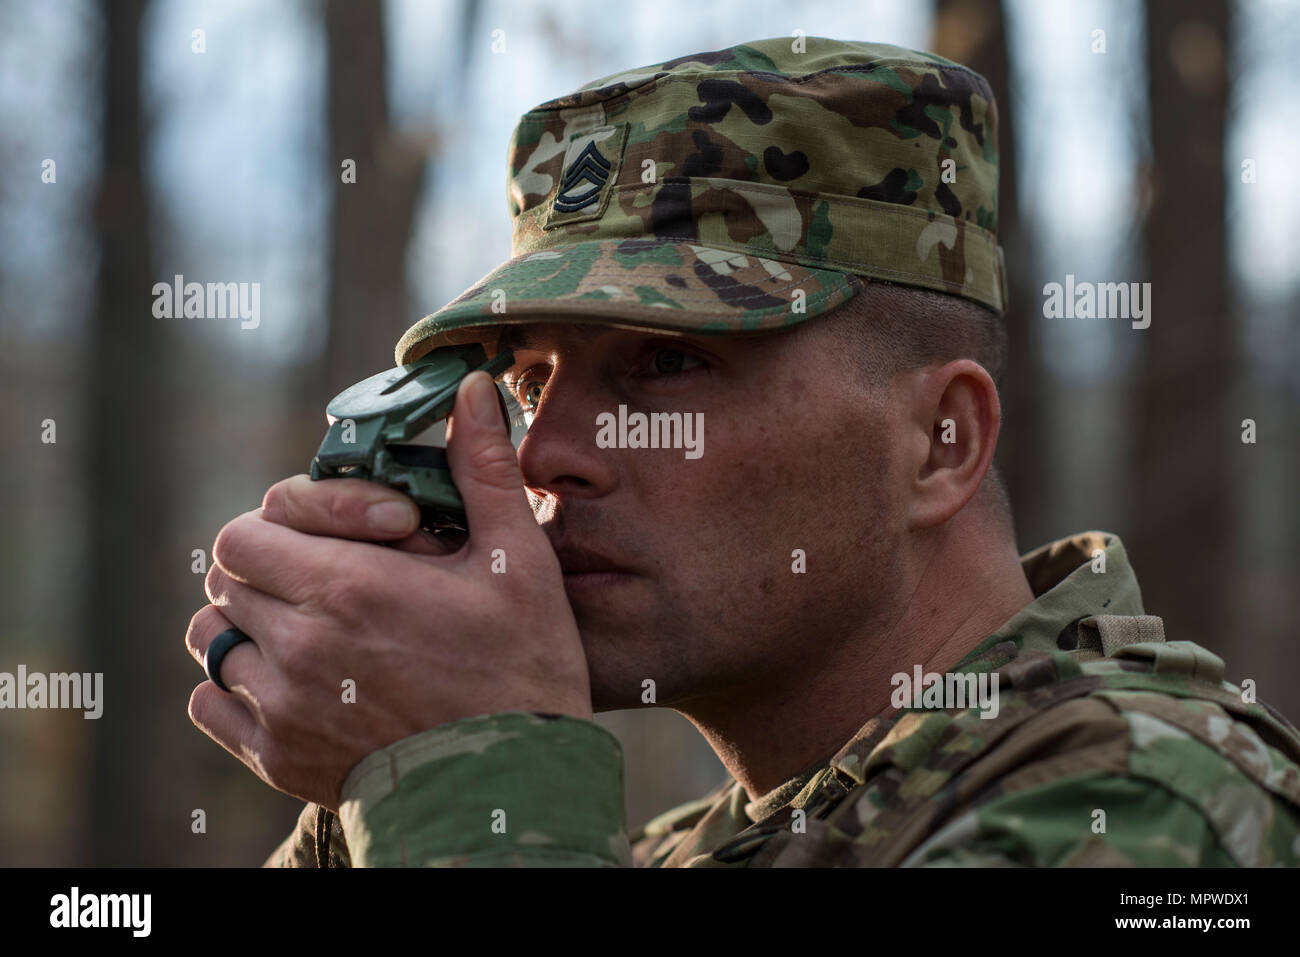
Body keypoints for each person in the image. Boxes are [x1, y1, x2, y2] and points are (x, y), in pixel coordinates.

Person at [185, 37, 1300, 867]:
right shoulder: (673, 850)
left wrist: (468, 763)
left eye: (667, 365)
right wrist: (375, 771)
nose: (549, 453)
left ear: (939, 443)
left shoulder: (1148, 801)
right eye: (531, 381)